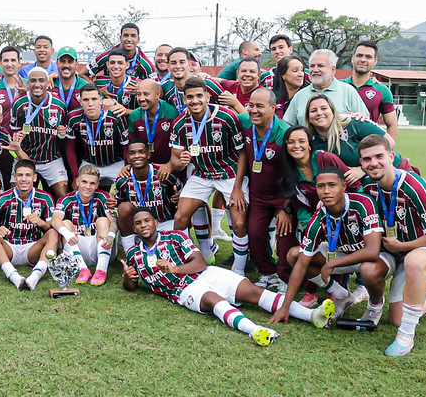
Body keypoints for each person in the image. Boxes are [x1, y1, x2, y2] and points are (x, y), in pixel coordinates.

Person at [123, 208, 335, 346]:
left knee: (254, 292)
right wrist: (127, 278)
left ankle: (313, 316)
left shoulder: (175, 237)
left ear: (156, 222)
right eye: (139, 223)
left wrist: (175, 268)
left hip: (206, 274)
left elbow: (200, 262)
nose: (143, 226)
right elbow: (132, 286)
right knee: (214, 301)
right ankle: (255, 330)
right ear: (134, 228)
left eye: (147, 221)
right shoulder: (133, 254)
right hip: (183, 290)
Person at [358, 135, 426, 356]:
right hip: (401, 252)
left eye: (379, 156)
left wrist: (404, 246)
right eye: (367, 159)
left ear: (391, 157)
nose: (373, 163)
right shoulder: (369, 187)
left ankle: (406, 337)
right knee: (396, 317)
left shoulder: (414, 185)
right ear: (361, 163)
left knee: (414, 260)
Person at [269, 166, 388, 325]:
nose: (326, 191)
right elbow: (301, 265)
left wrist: (332, 263)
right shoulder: (319, 218)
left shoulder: (362, 203)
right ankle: (342, 296)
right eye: (321, 186)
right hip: (343, 254)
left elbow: (373, 251)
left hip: (376, 257)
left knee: (368, 269)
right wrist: (285, 307)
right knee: (295, 255)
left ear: (343, 186)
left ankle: (375, 306)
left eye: (332, 185)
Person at [279, 124, 362, 307]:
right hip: (314, 219)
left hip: (343, 217)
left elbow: (354, 188)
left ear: (310, 144)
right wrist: (309, 225)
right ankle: (313, 293)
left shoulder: (327, 159)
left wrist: (337, 209)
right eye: (291, 142)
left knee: (334, 248)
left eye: (301, 141)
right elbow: (298, 204)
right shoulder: (288, 169)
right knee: (305, 250)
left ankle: (337, 292)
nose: (296, 146)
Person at [169, 77, 248, 269]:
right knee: (180, 218)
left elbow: (242, 152)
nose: (195, 101)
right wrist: (182, 161)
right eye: (190, 97)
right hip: (201, 174)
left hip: (229, 174)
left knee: (238, 223)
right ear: (184, 99)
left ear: (207, 96)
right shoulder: (180, 123)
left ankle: (238, 271)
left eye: (198, 96)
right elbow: (175, 161)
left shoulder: (227, 117)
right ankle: (186, 262)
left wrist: (238, 187)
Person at [237, 88, 293, 291]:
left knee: (284, 237)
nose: (254, 110)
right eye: (251, 105)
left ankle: (285, 277)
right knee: (255, 233)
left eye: (260, 106)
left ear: (273, 108)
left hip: (282, 197)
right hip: (258, 195)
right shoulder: (244, 122)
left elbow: (292, 175)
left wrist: (285, 208)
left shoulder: (285, 133)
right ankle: (268, 273)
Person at [0, 159, 59, 290]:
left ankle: (36, 275)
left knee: (54, 233)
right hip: (8, 248)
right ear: (14, 177)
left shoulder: (45, 197)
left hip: (32, 248)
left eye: (28, 175)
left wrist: (42, 223)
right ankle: (13, 276)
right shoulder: (5, 197)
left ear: (34, 177)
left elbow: (51, 227)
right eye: (20, 175)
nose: (23, 179)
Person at [305, 94, 409, 185]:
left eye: (324, 108)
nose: (319, 113)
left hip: (394, 174)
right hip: (364, 186)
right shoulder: (312, 143)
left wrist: (363, 169)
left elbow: (389, 143)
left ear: (333, 112)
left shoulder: (354, 123)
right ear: (308, 118)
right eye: (314, 110)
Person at [10, 67, 69, 199]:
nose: (37, 84)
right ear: (28, 83)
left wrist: (61, 134)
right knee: (15, 197)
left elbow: (63, 136)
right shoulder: (19, 104)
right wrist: (17, 139)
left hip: (51, 159)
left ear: (47, 82)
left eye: (41, 80)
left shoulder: (59, 105)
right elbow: (14, 136)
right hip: (25, 158)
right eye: (33, 81)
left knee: (63, 197)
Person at [51, 165, 115, 285]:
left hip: (101, 245)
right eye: (84, 182)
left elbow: (115, 220)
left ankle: (101, 270)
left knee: (103, 220)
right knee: (65, 224)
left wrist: (111, 236)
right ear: (77, 182)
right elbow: (55, 220)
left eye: (92, 183)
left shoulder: (102, 197)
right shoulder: (66, 199)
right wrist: (67, 234)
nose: (87, 187)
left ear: (97, 185)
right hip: (78, 247)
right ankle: (83, 269)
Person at [115, 140, 181, 252]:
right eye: (132, 153)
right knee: (124, 207)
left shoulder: (163, 174)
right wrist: (113, 203)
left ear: (148, 155)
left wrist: (178, 197)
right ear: (128, 157)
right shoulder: (122, 180)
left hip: (163, 223)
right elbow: (120, 205)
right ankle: (130, 254)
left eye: (141, 152)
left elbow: (180, 195)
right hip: (139, 227)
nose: (137, 156)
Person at [281, 49, 368, 126]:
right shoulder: (299, 96)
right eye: (312, 66)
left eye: (320, 66)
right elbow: (287, 125)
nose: (315, 70)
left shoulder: (348, 91)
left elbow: (364, 122)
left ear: (333, 70)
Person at [65, 83, 128, 188]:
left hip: (116, 163)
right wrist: (76, 176)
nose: (90, 104)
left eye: (94, 99)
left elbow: (126, 145)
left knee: (128, 187)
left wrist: (126, 168)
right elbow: (70, 147)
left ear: (100, 100)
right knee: (78, 188)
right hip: (90, 163)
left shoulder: (115, 116)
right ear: (80, 102)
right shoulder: (73, 118)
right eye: (86, 100)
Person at [342, 41, 398, 140]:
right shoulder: (338, 86)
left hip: (368, 147)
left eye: (368, 57)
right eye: (359, 55)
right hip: (340, 146)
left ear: (375, 61)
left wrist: (388, 150)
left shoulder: (382, 90)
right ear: (352, 58)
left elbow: (392, 124)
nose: (363, 60)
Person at [126, 79, 179, 168]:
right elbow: (132, 146)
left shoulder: (171, 113)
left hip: (167, 167)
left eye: (146, 94)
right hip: (144, 167)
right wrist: (128, 165)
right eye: (139, 94)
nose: (141, 99)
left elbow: (178, 144)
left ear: (157, 95)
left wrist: (169, 165)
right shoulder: (134, 116)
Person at [84, 23, 154, 80]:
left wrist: (140, 88)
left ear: (138, 39)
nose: (129, 39)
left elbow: (156, 88)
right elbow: (82, 74)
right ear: (120, 38)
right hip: (108, 94)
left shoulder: (145, 64)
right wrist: (98, 91)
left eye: (133, 36)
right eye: (126, 35)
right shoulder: (106, 56)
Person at [0, 46, 26, 130]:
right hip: (1, 140)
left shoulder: (29, 85)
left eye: (13, 60)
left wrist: (26, 95)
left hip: (25, 139)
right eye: (6, 60)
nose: (9, 64)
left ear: (19, 63)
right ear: (0, 63)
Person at [93, 48, 139, 114]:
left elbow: (147, 112)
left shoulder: (136, 85)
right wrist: (99, 92)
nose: (116, 66)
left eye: (120, 63)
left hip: (128, 124)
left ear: (127, 65)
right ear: (107, 65)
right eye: (112, 63)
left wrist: (126, 111)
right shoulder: (99, 82)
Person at [52, 46, 89, 113]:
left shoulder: (86, 86)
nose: (66, 65)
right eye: (62, 61)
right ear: (57, 63)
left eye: (70, 61)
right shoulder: (50, 84)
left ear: (76, 64)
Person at [161, 47, 193, 113]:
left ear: (189, 65)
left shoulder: (206, 84)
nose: (178, 66)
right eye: (173, 63)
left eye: (182, 62)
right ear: (168, 66)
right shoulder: (164, 87)